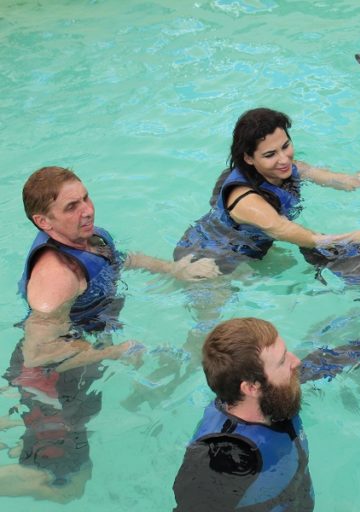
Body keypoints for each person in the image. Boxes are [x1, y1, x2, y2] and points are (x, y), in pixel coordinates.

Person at [0, 166, 220, 502]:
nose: (87, 210)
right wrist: (114, 353)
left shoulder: (88, 237)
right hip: (49, 385)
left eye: (85, 198)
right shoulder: (55, 279)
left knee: (51, 445)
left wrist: (175, 269)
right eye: (71, 207)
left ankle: (23, 431)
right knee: (68, 484)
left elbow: (122, 260)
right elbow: (39, 355)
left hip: (73, 369)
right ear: (44, 222)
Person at [172, 305, 360, 512]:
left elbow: (333, 360)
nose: (296, 362)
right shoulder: (223, 456)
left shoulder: (275, 391)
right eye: (282, 361)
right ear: (251, 387)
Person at [174, 107, 360, 274]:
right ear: (248, 158)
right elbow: (317, 240)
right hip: (208, 260)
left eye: (286, 146)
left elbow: (346, 182)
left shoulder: (286, 167)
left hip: (250, 246)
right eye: (270, 154)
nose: (283, 159)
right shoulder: (248, 202)